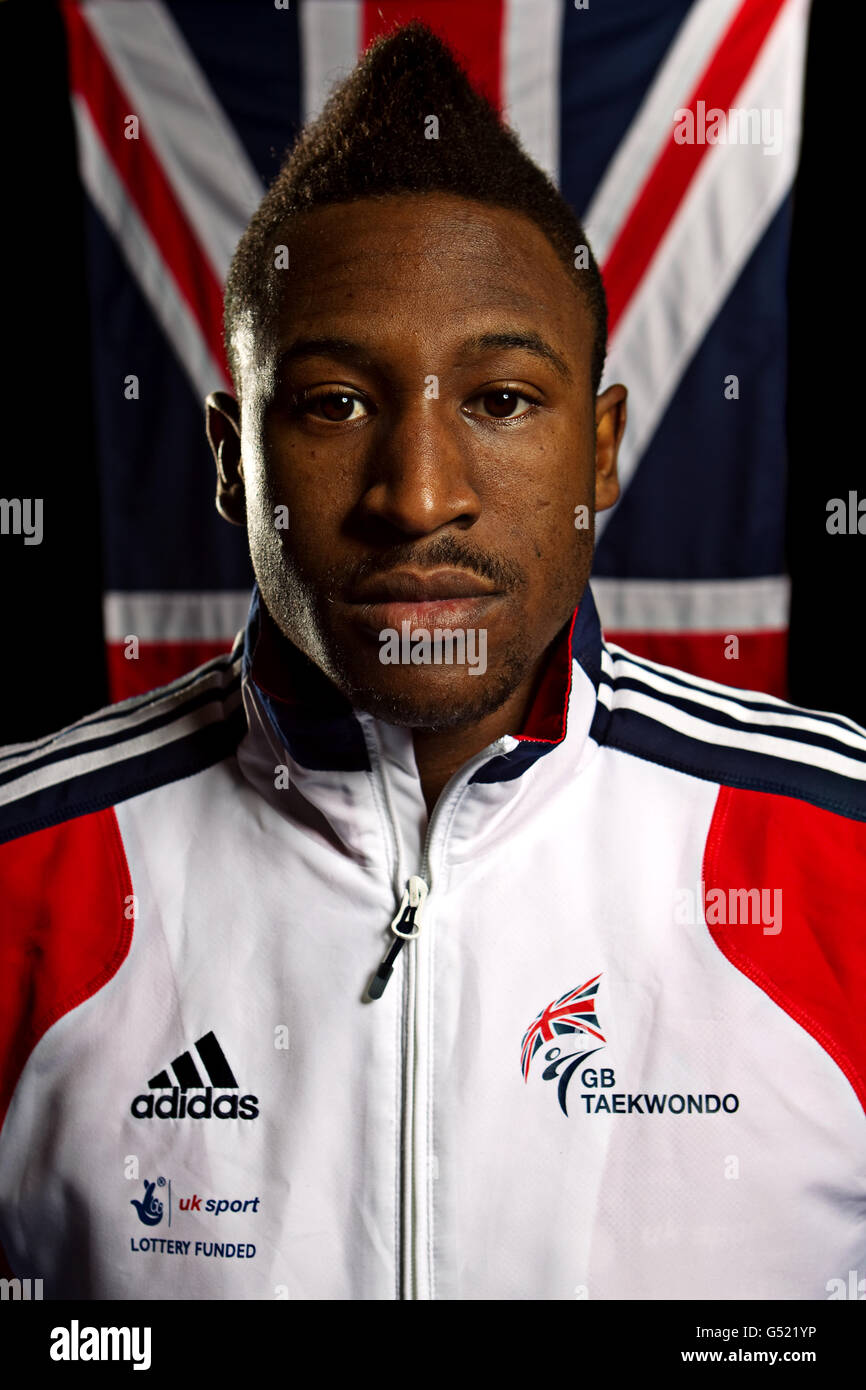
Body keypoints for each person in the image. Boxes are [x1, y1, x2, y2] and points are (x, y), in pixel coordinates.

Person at [0, 21, 863, 1302]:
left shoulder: (835, 847)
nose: (416, 496)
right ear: (233, 460)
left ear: (600, 448)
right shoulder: (26, 868)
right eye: (334, 402)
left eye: (501, 400)